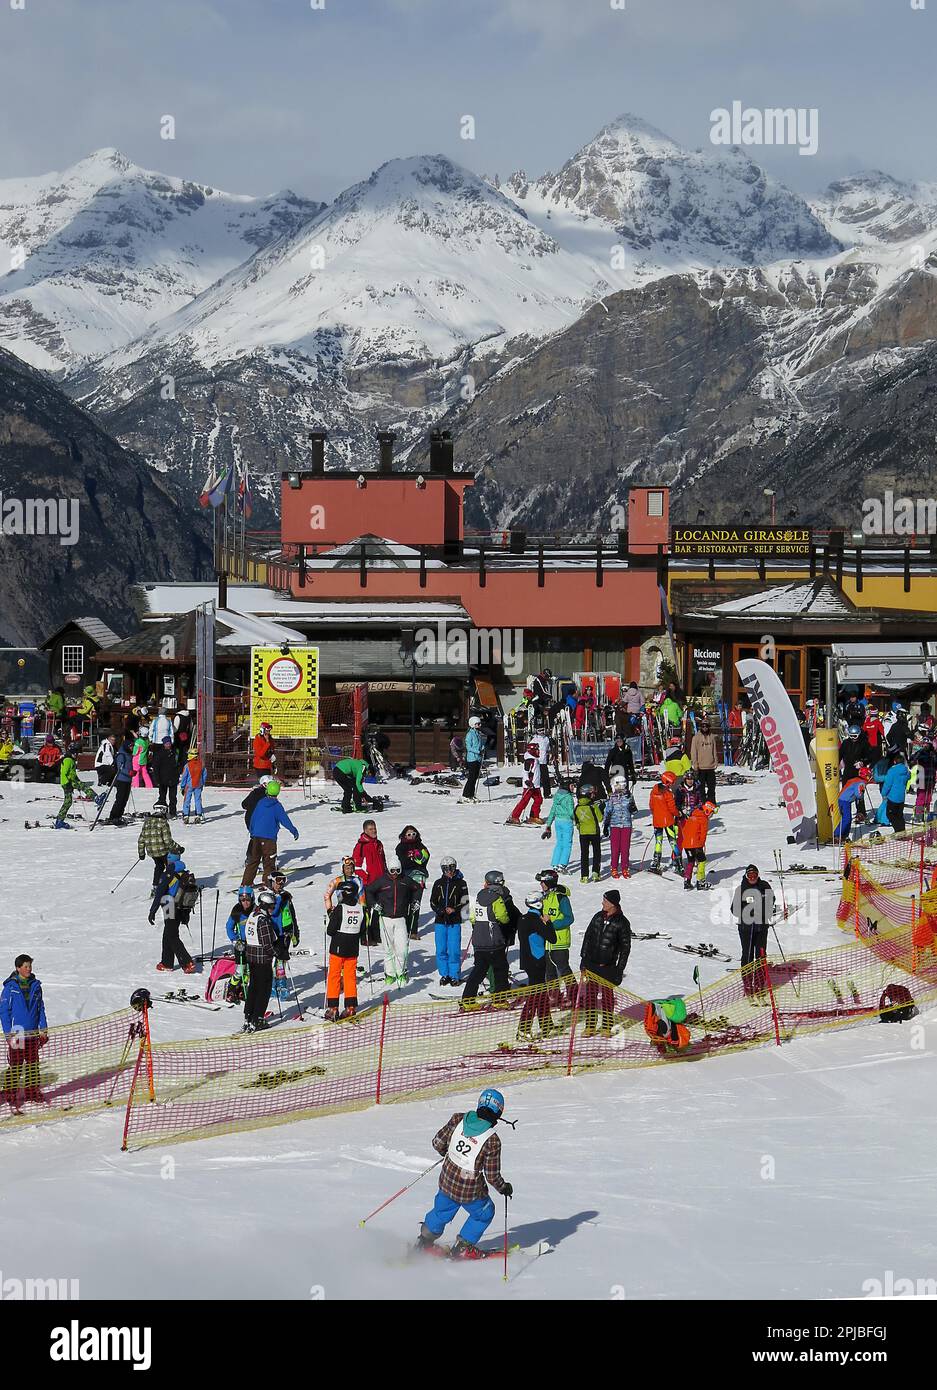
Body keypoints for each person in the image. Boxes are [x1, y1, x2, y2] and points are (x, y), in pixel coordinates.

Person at [417, 1088, 513, 1259]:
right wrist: (503, 1187)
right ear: (498, 1112)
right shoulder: (492, 1140)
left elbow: (437, 1143)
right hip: (470, 1191)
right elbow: (491, 1175)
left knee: (441, 1211)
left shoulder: (458, 1119)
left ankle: (424, 1242)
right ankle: (463, 1247)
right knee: (485, 1213)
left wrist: (450, 1153)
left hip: (447, 1181)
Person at [462, 870, 517, 1005]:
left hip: (479, 940)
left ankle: (467, 1000)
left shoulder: (477, 897)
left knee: (478, 970)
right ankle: (499, 999)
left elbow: (472, 918)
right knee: (501, 969)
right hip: (494, 941)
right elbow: (503, 918)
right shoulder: (496, 898)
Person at [579, 890, 631, 1036]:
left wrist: (619, 971)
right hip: (591, 965)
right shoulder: (597, 917)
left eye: (605, 901)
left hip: (607, 968)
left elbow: (625, 949)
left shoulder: (622, 922)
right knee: (590, 996)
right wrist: (583, 961)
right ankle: (590, 1026)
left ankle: (607, 1027)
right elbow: (587, 938)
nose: (602, 903)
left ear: (613, 904)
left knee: (607, 999)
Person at [0, 955, 48, 1104]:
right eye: (26, 966)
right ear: (18, 968)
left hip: (33, 1032)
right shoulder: (10, 988)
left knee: (33, 1065)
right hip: (17, 1031)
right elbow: (4, 1012)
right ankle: (10, 1093)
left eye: (30, 966)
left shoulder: (36, 986)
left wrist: (43, 1029)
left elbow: (41, 1009)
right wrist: (9, 1033)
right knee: (16, 1065)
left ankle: (32, 1092)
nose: (29, 969)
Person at [241, 889, 287, 1032]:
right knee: (263, 990)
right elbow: (267, 944)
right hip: (262, 960)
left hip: (252, 959)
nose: (273, 909)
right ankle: (258, 1019)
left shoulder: (252, 916)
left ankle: (249, 1016)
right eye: (271, 907)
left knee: (253, 988)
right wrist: (278, 953)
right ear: (265, 906)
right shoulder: (263, 920)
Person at [365, 864, 418, 987]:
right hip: (385, 918)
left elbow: (417, 888)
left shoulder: (405, 880)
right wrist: (374, 904)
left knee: (402, 948)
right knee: (388, 949)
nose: (395, 873)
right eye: (392, 870)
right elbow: (369, 891)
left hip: (400, 918)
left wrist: (416, 901)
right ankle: (390, 974)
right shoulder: (382, 880)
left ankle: (401, 972)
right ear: (388, 869)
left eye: (398, 870)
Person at [243, 780, 299, 885]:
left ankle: (246, 883)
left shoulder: (260, 802)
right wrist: (293, 830)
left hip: (256, 837)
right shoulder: (277, 806)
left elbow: (254, 818)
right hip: (269, 839)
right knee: (269, 863)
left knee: (253, 861)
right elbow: (285, 820)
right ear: (278, 793)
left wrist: (252, 831)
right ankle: (267, 883)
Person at [732, 865, 775, 998]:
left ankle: (759, 983)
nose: (752, 878)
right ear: (746, 876)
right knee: (747, 955)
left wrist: (763, 908)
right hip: (746, 928)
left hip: (761, 927)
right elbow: (734, 909)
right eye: (750, 876)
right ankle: (747, 983)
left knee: (761, 955)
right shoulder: (741, 889)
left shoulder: (764, 886)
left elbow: (771, 901)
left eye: (754, 876)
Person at [150, 852, 197, 974]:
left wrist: (152, 910)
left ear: (169, 860)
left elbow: (159, 893)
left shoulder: (168, 874)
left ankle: (187, 962)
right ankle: (166, 962)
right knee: (169, 932)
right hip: (181, 907)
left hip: (169, 904)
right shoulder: (184, 872)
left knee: (172, 935)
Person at [535, 868, 575, 1007]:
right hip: (546, 942)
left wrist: (551, 924)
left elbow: (569, 918)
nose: (541, 884)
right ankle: (554, 995)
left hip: (559, 941)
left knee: (563, 970)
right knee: (549, 971)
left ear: (550, 883)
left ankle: (573, 995)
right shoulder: (543, 897)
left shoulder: (561, 898)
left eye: (543, 882)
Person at [325, 880, 364, 1021]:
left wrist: (332, 917)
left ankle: (333, 1008)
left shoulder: (340, 908)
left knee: (334, 976)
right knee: (350, 977)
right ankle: (350, 1007)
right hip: (353, 947)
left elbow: (330, 931)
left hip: (338, 947)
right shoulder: (360, 908)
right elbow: (363, 930)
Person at [516, 894, 554, 1039]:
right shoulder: (536, 921)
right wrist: (548, 922)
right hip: (537, 961)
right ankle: (523, 1029)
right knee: (534, 996)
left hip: (527, 961)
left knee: (542, 993)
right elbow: (552, 938)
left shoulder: (523, 919)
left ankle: (546, 1025)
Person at [430, 856, 470, 987]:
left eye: (451, 868)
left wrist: (454, 910)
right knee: (441, 949)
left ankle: (454, 975)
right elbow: (432, 901)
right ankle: (444, 974)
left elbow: (465, 902)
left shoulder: (461, 883)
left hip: (454, 921)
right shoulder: (438, 883)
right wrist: (440, 910)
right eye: (446, 869)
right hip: (440, 921)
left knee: (453, 950)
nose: (449, 871)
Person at [396, 825, 430, 940]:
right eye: (409, 834)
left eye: (414, 834)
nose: (411, 836)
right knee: (404, 903)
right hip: (405, 877)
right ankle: (403, 929)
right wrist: (416, 861)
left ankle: (413, 930)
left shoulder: (421, 845)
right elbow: (403, 862)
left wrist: (415, 861)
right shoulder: (401, 847)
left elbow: (425, 858)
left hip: (419, 879)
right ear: (404, 835)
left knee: (415, 905)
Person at [138, 804, 184, 885]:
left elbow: (141, 839)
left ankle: (155, 886)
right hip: (163, 851)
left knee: (159, 866)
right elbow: (167, 840)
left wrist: (141, 853)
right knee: (171, 866)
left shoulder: (147, 822)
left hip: (152, 852)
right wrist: (178, 848)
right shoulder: (163, 823)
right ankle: (171, 885)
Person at [55, 742, 96, 829]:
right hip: (67, 783)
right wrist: (68, 783)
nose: (77, 755)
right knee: (82, 786)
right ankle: (96, 798)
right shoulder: (67, 760)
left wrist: (77, 780)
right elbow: (64, 773)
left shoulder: (71, 760)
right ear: (72, 752)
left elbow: (72, 773)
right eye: (76, 753)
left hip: (69, 782)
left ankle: (59, 820)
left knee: (68, 802)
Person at [602, 775, 637, 879]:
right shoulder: (612, 798)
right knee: (615, 848)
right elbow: (607, 812)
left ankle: (625, 868)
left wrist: (632, 808)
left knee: (625, 848)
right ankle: (614, 868)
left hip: (626, 825)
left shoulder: (629, 796)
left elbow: (634, 811)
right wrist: (606, 825)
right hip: (614, 825)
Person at [649, 770, 681, 874]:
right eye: (672, 783)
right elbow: (672, 808)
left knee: (658, 841)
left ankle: (655, 863)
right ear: (668, 782)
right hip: (668, 821)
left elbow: (651, 806)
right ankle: (679, 865)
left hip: (657, 821)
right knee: (673, 842)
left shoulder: (654, 791)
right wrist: (678, 814)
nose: (673, 785)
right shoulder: (667, 793)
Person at [540, 776, 576, 870]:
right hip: (567, 822)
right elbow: (571, 812)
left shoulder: (557, 796)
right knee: (567, 844)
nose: (573, 788)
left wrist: (548, 824)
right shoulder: (568, 798)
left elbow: (553, 810)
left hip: (558, 822)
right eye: (572, 786)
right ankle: (562, 864)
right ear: (567, 786)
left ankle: (555, 863)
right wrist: (577, 820)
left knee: (559, 843)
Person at [681, 801, 716, 890]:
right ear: (707, 811)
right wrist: (702, 843)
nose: (711, 816)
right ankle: (701, 881)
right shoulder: (703, 819)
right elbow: (703, 833)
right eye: (711, 814)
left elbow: (684, 830)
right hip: (697, 844)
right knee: (702, 860)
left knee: (691, 861)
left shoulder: (692, 816)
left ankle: (687, 881)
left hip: (687, 844)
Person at [506, 749, 544, 826]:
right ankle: (514, 817)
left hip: (535, 785)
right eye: (536, 750)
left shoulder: (535, 760)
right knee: (524, 801)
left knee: (539, 800)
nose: (538, 751)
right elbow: (525, 772)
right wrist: (527, 781)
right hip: (529, 786)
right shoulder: (529, 761)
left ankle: (534, 816)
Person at [574, 785, 602, 883]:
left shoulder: (577, 807)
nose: (594, 796)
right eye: (592, 794)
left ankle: (584, 876)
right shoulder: (592, 806)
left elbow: (576, 821)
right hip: (594, 832)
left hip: (583, 833)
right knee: (596, 853)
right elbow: (600, 818)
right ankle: (596, 873)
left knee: (584, 854)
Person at [689, 717, 719, 805]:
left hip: (710, 766)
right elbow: (693, 751)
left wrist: (716, 760)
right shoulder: (696, 738)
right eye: (703, 726)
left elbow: (714, 750)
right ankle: (702, 802)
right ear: (700, 727)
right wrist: (695, 764)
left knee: (711, 786)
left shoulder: (712, 737)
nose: (705, 728)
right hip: (700, 766)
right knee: (700, 787)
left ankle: (711, 802)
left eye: (706, 726)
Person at [838, 767, 872, 841]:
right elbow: (858, 794)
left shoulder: (856, 780)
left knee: (847, 818)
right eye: (868, 776)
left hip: (843, 799)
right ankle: (837, 835)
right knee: (847, 818)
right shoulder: (861, 782)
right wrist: (862, 793)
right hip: (845, 801)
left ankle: (844, 835)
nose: (869, 778)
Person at [107, 735, 135, 825]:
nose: (132, 748)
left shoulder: (129, 754)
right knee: (120, 799)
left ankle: (119, 816)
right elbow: (120, 768)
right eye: (131, 746)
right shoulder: (121, 755)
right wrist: (129, 772)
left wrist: (132, 772)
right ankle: (113, 816)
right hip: (121, 780)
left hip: (128, 780)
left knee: (125, 799)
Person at [881, 751, 910, 833]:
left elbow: (887, 784)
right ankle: (902, 830)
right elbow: (908, 776)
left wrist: (884, 793)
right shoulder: (905, 770)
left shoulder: (892, 771)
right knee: (899, 815)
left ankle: (898, 831)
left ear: (894, 761)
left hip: (893, 797)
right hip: (901, 797)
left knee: (890, 815)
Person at [152, 735, 179, 817]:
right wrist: (156, 779)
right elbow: (156, 767)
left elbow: (178, 763)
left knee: (173, 797)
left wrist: (178, 772)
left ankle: (173, 812)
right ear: (163, 744)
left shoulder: (175, 751)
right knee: (162, 797)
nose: (168, 745)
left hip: (173, 778)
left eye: (169, 743)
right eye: (166, 743)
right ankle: (162, 812)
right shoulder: (159, 753)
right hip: (162, 779)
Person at [461, 716, 485, 803]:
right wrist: (477, 751)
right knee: (471, 778)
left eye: (479, 723)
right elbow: (468, 747)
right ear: (472, 724)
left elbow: (480, 743)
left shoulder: (478, 733)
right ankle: (465, 795)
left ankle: (471, 794)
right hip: (472, 759)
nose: (479, 725)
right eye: (478, 724)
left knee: (475, 777)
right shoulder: (470, 734)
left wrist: (482, 748)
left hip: (478, 758)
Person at [179, 748, 207, 823]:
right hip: (198, 785)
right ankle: (198, 814)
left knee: (187, 800)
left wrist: (182, 786)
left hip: (189, 785)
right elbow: (204, 775)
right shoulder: (202, 764)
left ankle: (186, 815)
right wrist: (202, 783)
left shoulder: (187, 765)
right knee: (198, 800)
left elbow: (184, 777)